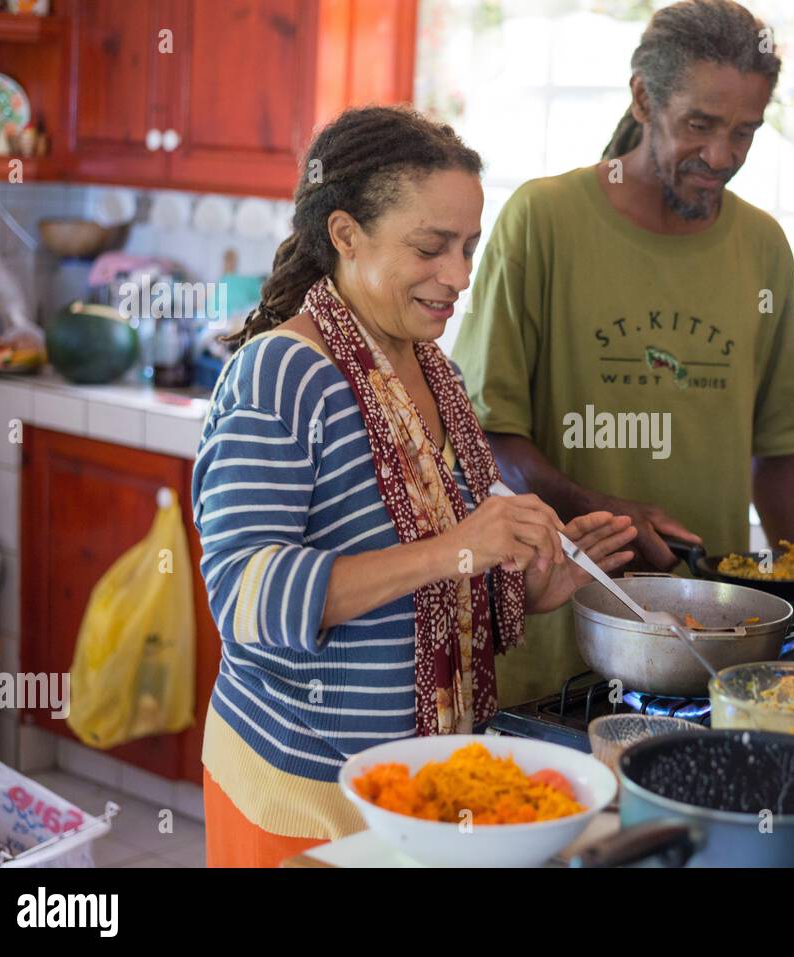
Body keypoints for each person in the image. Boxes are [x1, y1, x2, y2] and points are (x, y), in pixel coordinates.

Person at [192, 106, 636, 867]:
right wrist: (453, 550)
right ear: (345, 234)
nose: (459, 277)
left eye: (469, 247)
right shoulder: (283, 371)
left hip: (420, 794)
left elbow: (431, 585)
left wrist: (531, 584)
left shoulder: (435, 372)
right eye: (431, 247)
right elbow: (243, 597)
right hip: (306, 796)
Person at [452, 0, 794, 704]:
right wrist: (604, 511)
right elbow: (484, 437)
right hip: (556, 644)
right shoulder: (543, 222)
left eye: (745, 132)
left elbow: (776, 452)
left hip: (709, 651)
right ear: (644, 99)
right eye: (700, 126)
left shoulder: (763, 247)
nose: (723, 157)